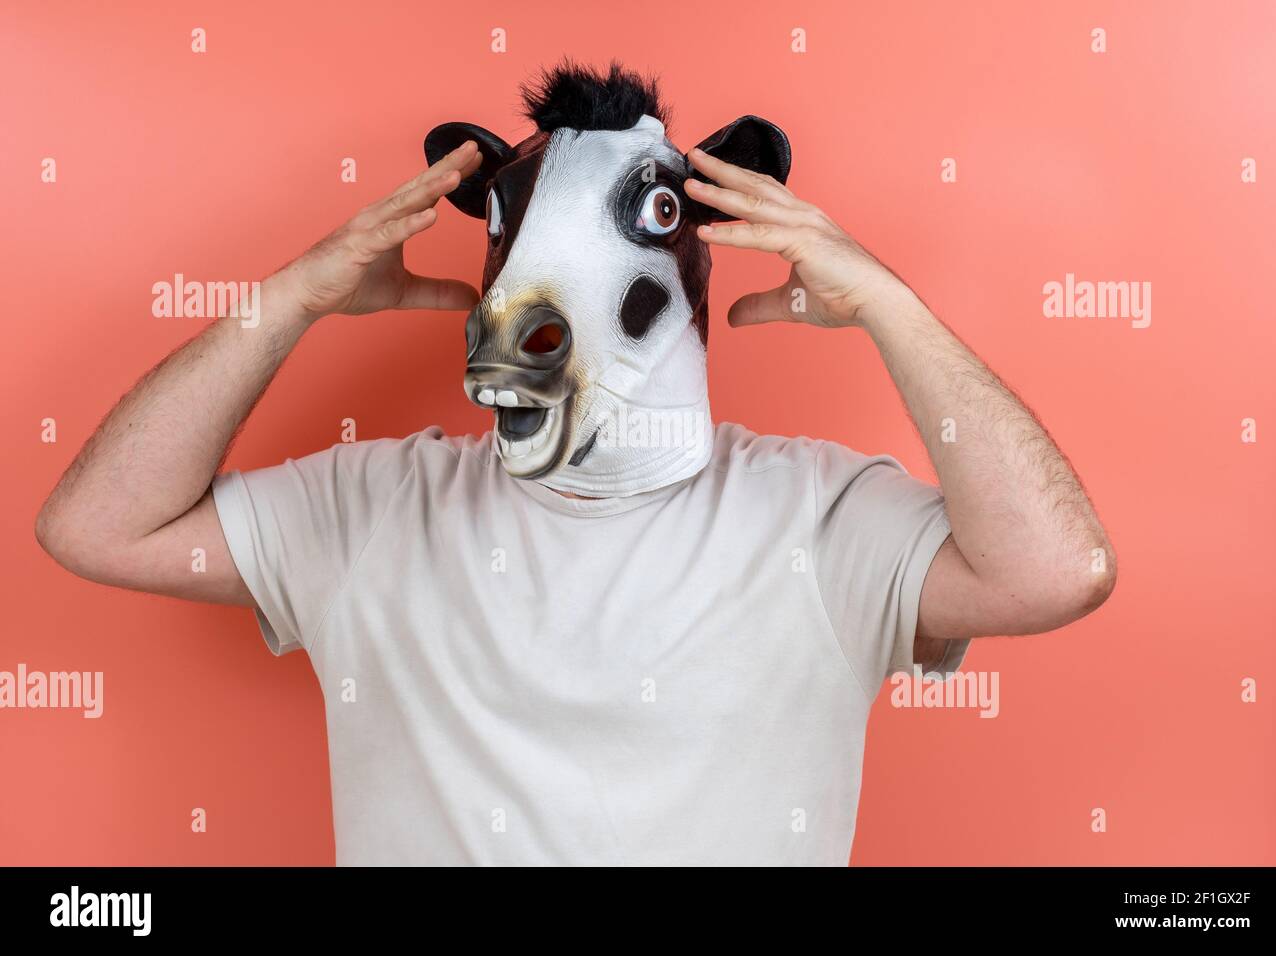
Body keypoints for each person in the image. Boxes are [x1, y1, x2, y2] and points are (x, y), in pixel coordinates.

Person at [35, 64, 1115, 865]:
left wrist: (888, 303)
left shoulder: (824, 519)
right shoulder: (370, 504)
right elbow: (97, 526)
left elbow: (1056, 571)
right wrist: (290, 299)